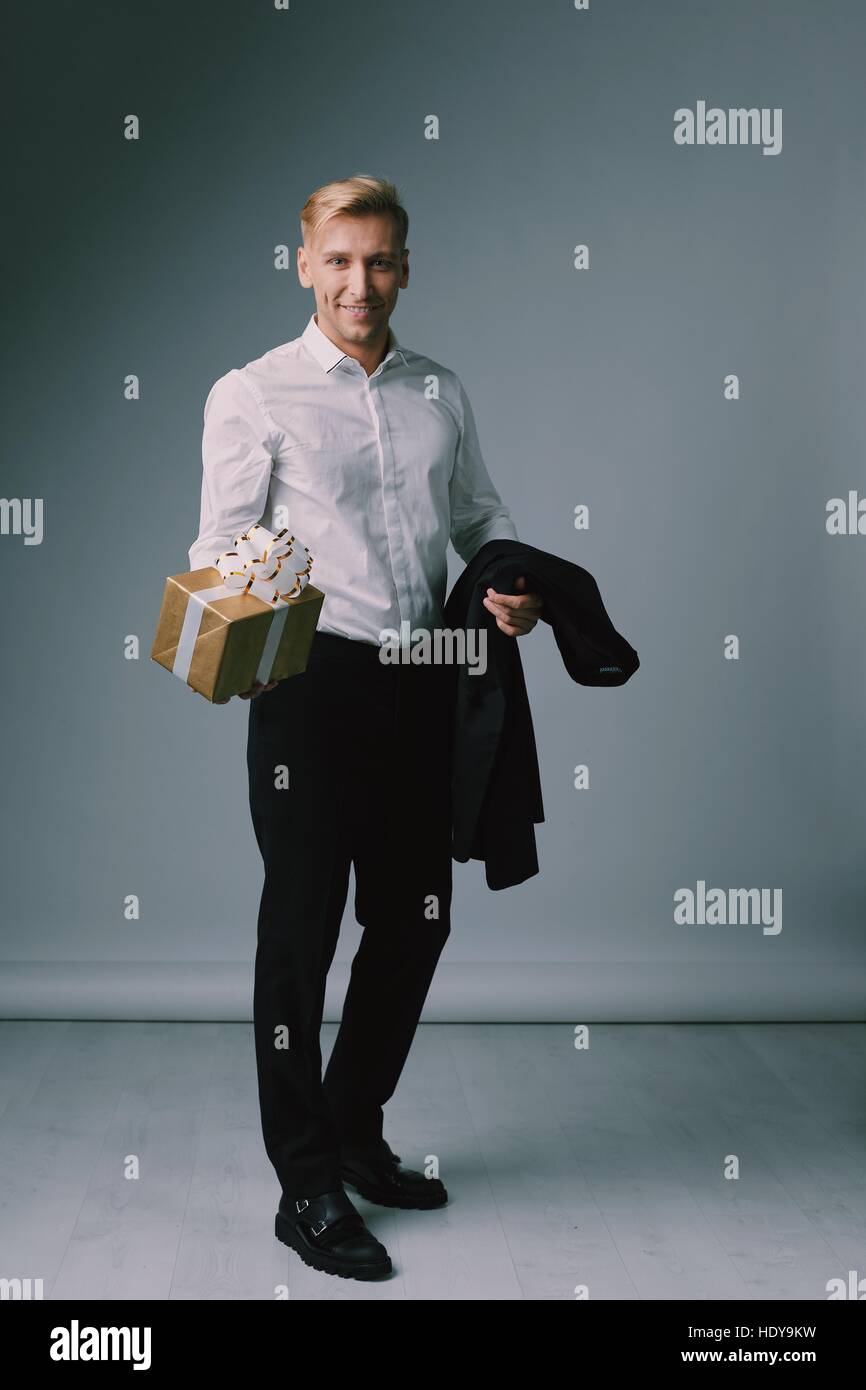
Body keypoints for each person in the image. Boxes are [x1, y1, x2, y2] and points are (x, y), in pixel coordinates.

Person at [188, 174, 543, 1280]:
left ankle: (352, 1129)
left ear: (405, 268)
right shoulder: (252, 393)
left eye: (381, 260)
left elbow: (480, 515)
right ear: (303, 265)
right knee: (300, 932)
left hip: (425, 674)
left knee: (418, 915)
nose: (360, 281)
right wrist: (250, 665)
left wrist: (510, 587)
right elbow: (220, 544)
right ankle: (304, 1181)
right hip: (311, 681)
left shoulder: (440, 388)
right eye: (339, 260)